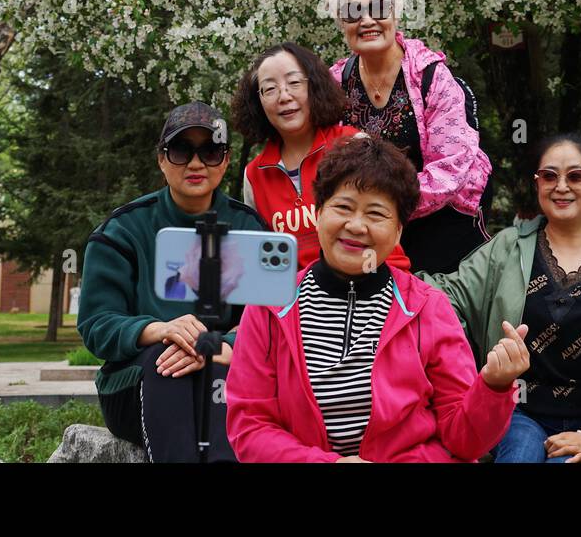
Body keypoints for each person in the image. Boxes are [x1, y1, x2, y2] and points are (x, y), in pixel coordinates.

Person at [225, 134, 529, 462]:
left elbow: (464, 442)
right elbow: (250, 427)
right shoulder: (269, 306)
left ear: (399, 230)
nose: (356, 226)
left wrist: (494, 387)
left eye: (375, 214)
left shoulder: (427, 307)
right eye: (343, 207)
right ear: (319, 212)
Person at [424, 133, 581, 462]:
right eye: (548, 176)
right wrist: (386, 270)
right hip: (518, 413)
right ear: (538, 184)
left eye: (575, 176)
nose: (561, 186)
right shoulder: (506, 250)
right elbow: (444, 301)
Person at [77, 101, 264, 462]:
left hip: (220, 369)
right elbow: (96, 325)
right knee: (168, 361)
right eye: (181, 150)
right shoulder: (122, 231)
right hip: (137, 381)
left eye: (210, 151)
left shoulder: (249, 230)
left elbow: (272, 322)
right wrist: (160, 329)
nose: (196, 163)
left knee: (217, 371)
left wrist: (215, 345)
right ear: (161, 159)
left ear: (225, 161)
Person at [326, 0, 491, 274]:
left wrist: (384, 206)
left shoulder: (433, 78)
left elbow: (452, 169)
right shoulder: (335, 85)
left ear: (396, 13)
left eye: (379, 8)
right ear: (341, 23)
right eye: (352, 12)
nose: (367, 20)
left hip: (444, 226)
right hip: (368, 229)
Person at [231, 41, 410, 272]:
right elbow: (267, 264)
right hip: (301, 301)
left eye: (294, 82)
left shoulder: (353, 145)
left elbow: (384, 233)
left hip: (373, 286)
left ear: (314, 86)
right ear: (258, 102)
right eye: (269, 89)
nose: (283, 96)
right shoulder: (255, 176)